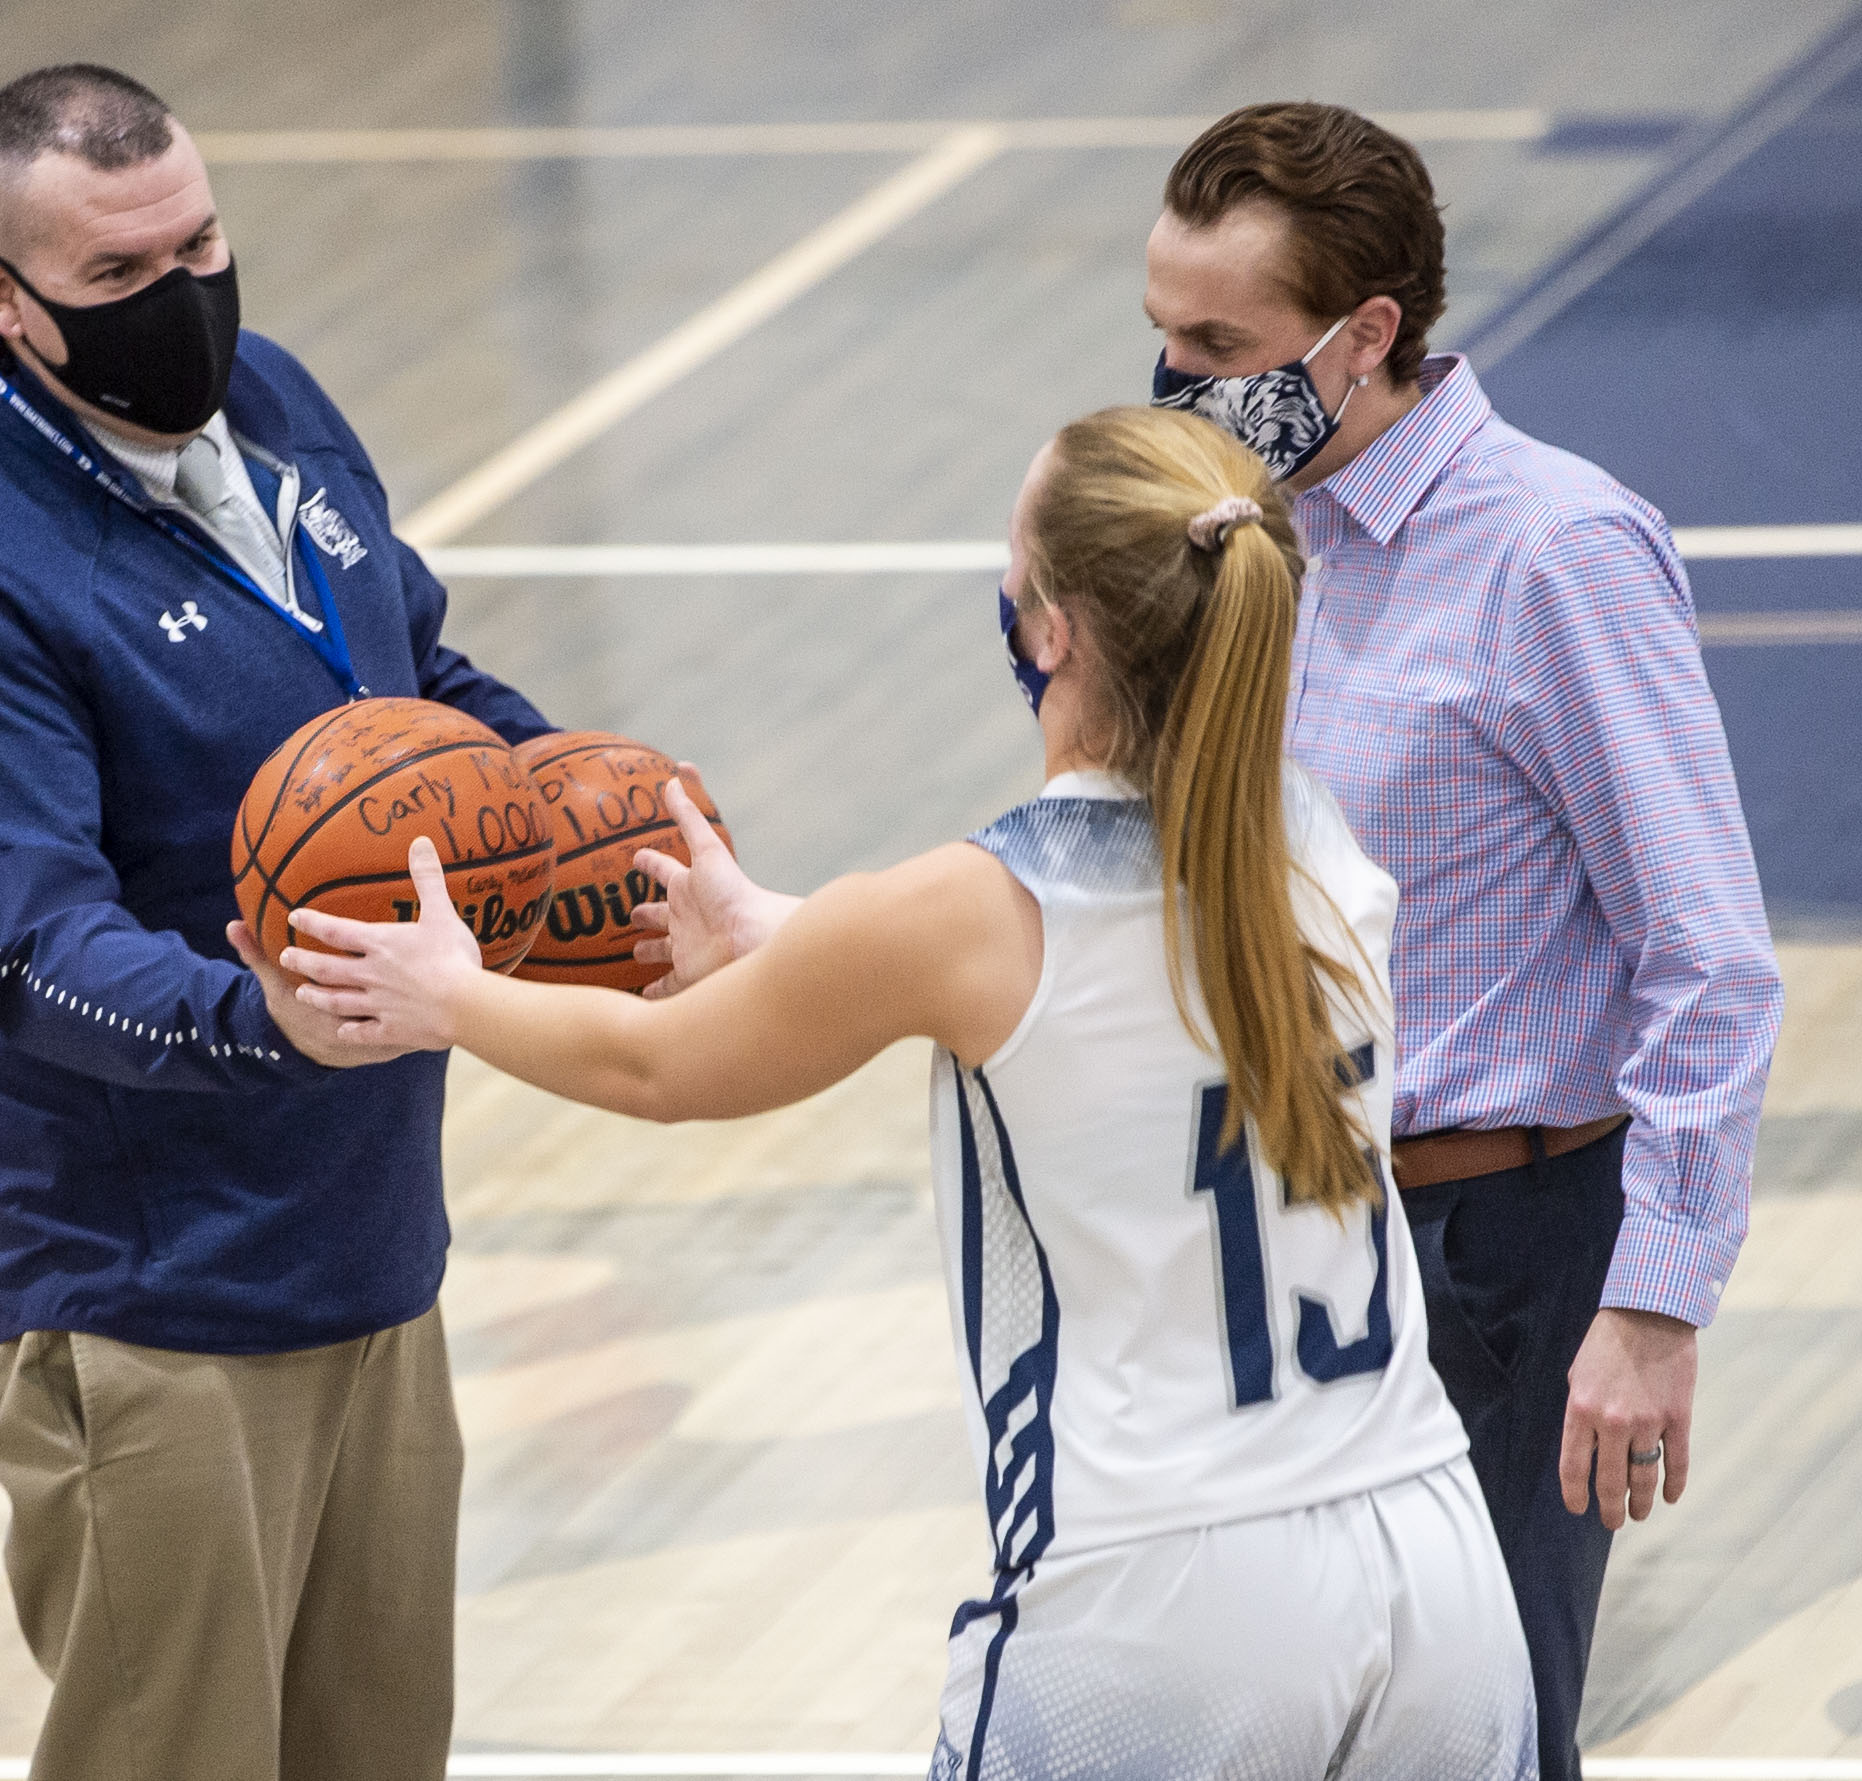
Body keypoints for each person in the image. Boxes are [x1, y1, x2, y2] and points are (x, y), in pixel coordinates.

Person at [629, 101, 1786, 1781]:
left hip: (1508, 1251)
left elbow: (1710, 955)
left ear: (1366, 333)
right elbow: (1128, 909)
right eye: (1161, 332)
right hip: (1304, 1223)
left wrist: (1656, 1303)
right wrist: (807, 940)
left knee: (1481, 1733)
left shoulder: (1558, 552)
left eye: (1218, 345)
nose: (1174, 378)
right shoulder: (1226, 540)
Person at [286, 406, 1539, 1781]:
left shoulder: (968, 912)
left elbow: (657, 1066)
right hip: (1433, 1574)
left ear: (1052, 630)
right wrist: (790, 936)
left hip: (1165, 1611)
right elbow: (1105, 989)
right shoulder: (1311, 836)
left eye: (1013, 556)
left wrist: (448, 993)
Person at [0, 64, 548, 1781]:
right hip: (142, 1301)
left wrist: (575, 799)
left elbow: (413, 681)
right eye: (118, 276)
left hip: (367, 1246)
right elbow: (30, 949)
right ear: (2, 294)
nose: (183, 300)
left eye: (201, 246)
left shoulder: (274, 400)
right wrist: (266, 1015)